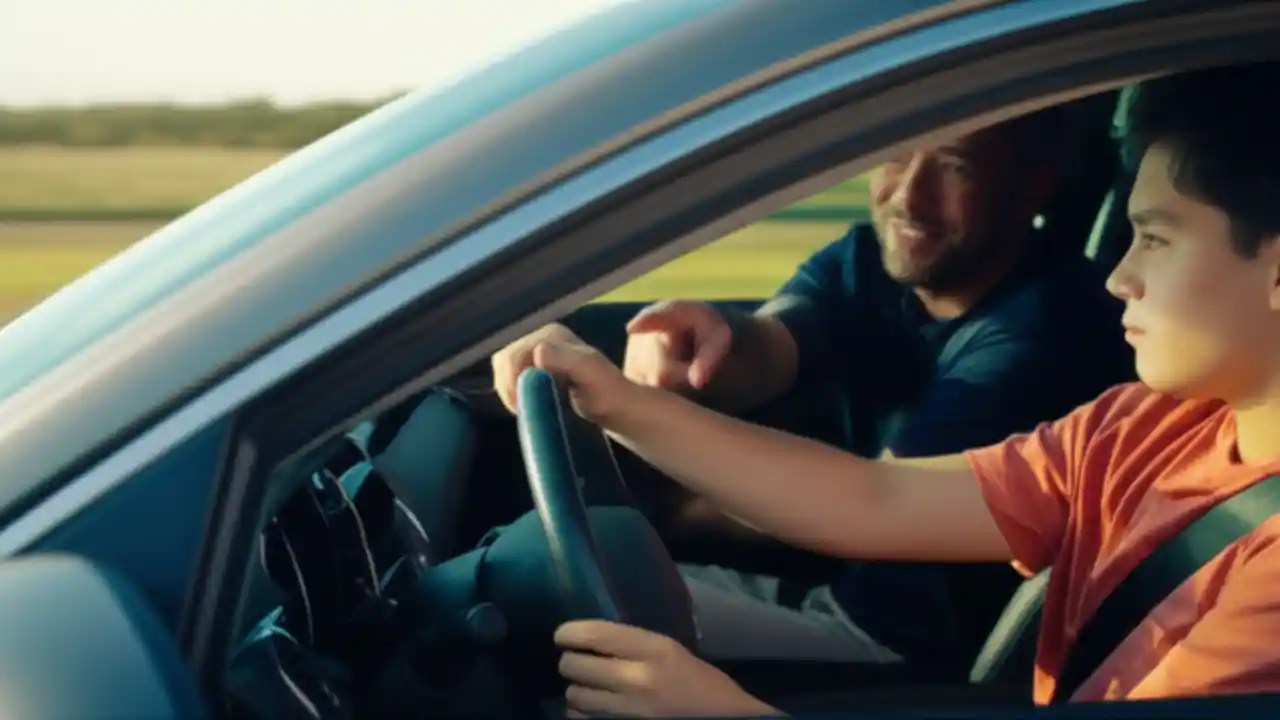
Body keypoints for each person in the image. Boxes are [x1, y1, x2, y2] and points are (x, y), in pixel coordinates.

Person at [526, 61, 1280, 717]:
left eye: (1154, 238)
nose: (1119, 277)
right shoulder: (1147, 424)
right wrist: (614, 401)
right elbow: (873, 499)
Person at [493, 106, 1131, 667]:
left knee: (543, 620)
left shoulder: (1042, 335)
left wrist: (652, 487)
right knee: (542, 585)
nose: (910, 195)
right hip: (840, 584)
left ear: (1030, 190)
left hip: (897, 645)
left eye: (955, 166)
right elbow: (776, 344)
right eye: (896, 151)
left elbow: (870, 508)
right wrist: (710, 341)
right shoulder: (876, 263)